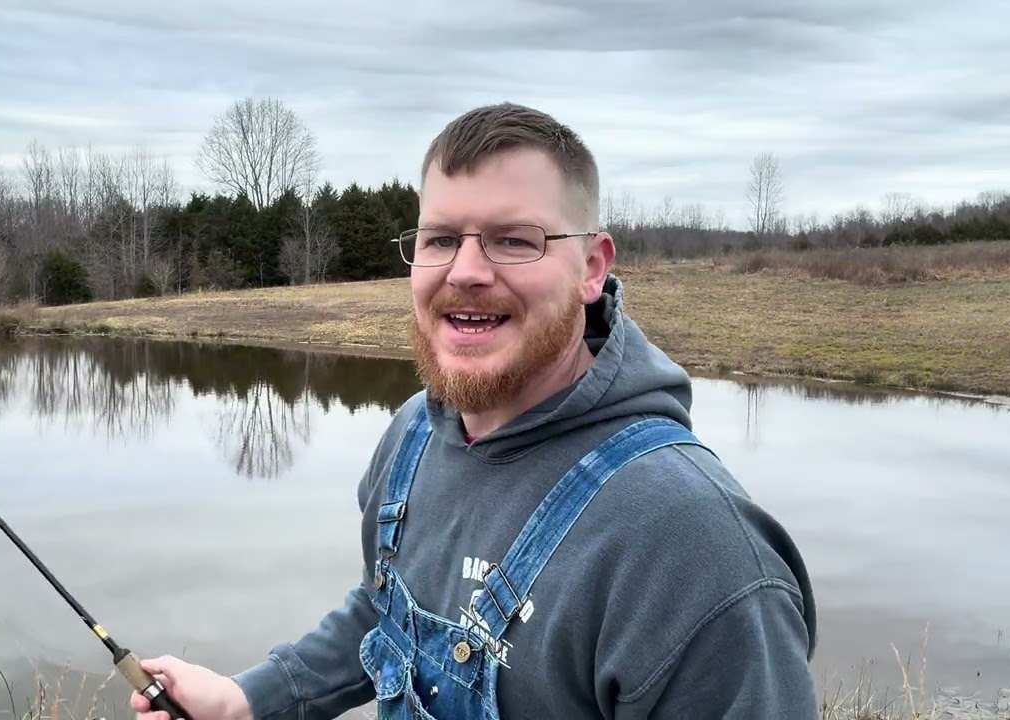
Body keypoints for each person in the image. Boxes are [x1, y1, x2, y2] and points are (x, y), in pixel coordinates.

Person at [131, 102, 818, 719]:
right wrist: (252, 698)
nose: (464, 271)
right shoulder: (413, 438)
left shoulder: (690, 548)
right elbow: (387, 609)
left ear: (591, 268)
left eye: (514, 240)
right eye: (439, 240)